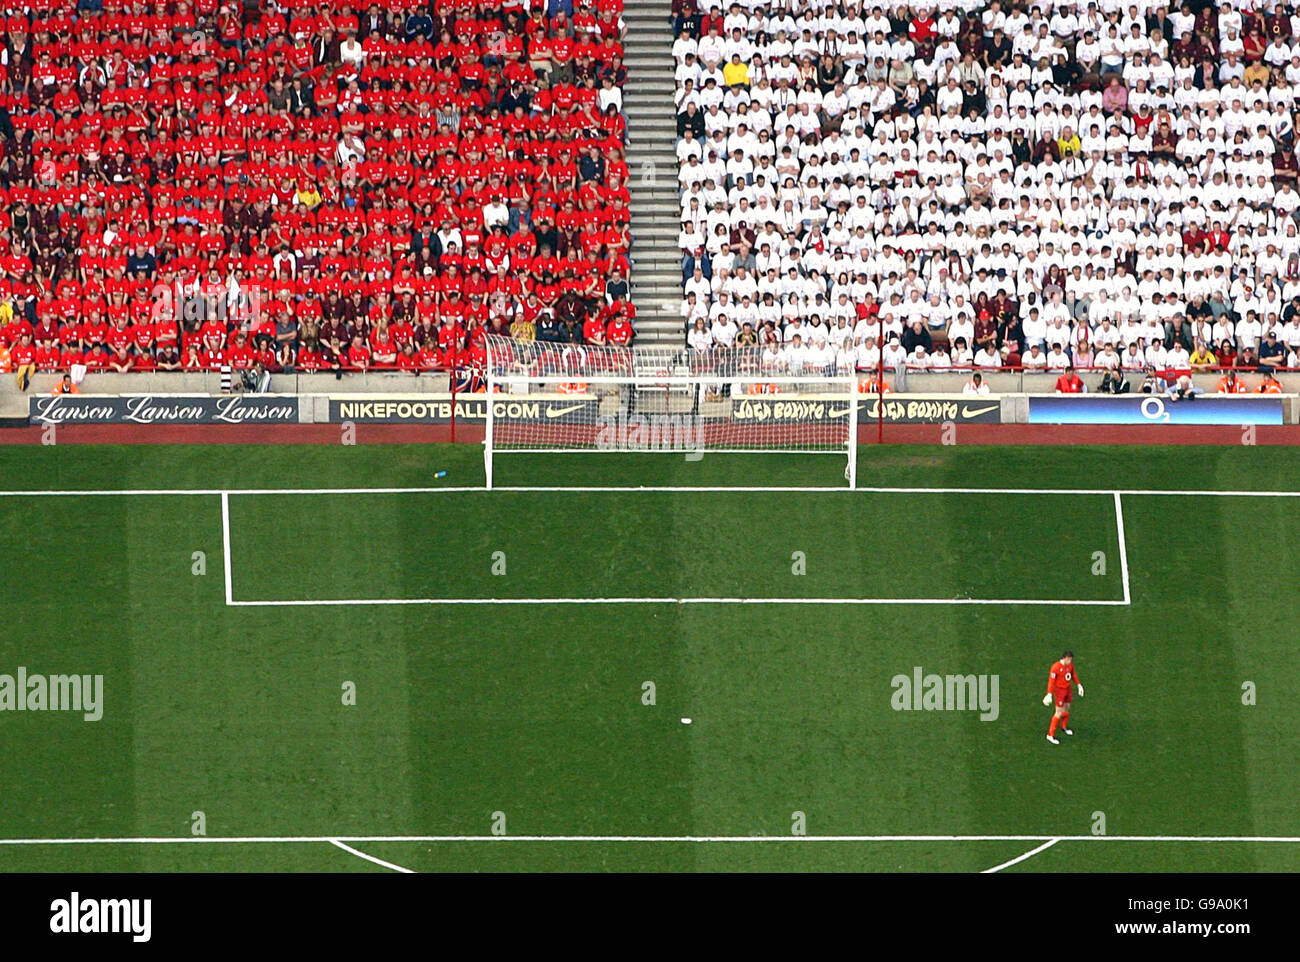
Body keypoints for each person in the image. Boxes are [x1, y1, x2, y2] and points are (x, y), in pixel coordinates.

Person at [1043, 650, 1084, 745]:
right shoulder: (1055, 667)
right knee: (1058, 712)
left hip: (1068, 688)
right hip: (1059, 691)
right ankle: (1050, 735)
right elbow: (1051, 681)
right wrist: (1049, 694)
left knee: (1067, 708)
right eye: (1069, 660)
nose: (1070, 662)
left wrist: (1079, 685)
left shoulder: (1070, 665)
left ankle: (1063, 726)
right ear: (1065, 658)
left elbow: (1073, 674)